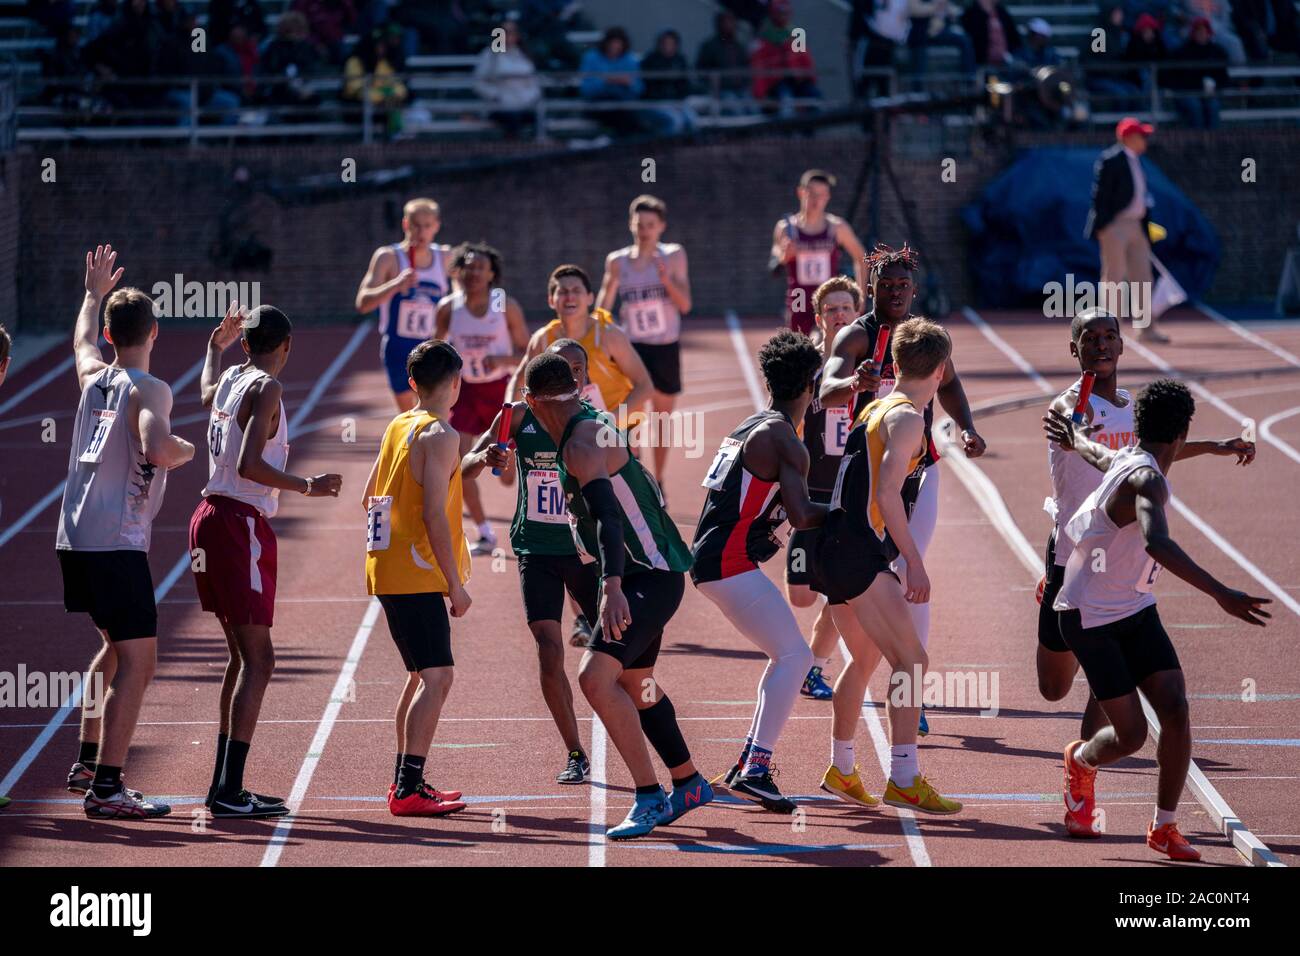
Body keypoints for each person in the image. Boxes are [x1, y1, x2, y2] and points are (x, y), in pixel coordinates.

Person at [1044, 379, 1270, 860]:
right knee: (1131, 736)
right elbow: (1157, 543)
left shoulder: (1129, 456)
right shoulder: (1147, 479)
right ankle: (1081, 759)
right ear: (1180, 435)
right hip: (1088, 616)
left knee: (1175, 706)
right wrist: (1220, 593)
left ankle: (1164, 826)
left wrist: (1074, 435)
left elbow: (1093, 452)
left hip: (1134, 606)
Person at [1036, 309, 1255, 795]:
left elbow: (1146, 452)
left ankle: (1084, 779)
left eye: (1109, 337)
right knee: (1051, 688)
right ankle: (1098, 670)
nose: (1101, 345)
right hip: (1070, 557)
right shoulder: (1067, 408)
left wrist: (1214, 445)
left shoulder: (1131, 406)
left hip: (1112, 575)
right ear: (1075, 350)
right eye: (1089, 338)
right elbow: (1093, 444)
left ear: (1121, 345)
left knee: (1106, 664)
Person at [523, 352, 710, 839]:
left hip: (647, 576)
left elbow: (607, 515)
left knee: (594, 678)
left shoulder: (582, 443)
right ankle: (687, 781)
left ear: (532, 401)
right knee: (636, 682)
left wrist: (611, 587)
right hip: (656, 569)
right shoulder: (592, 422)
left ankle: (649, 797)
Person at [820, 244, 986, 736]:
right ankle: (871, 667)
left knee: (912, 572)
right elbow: (825, 386)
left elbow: (950, 385)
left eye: (902, 285)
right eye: (885, 284)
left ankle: (910, 686)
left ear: (914, 290)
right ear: (870, 287)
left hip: (921, 469)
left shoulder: (925, 339)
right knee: (865, 577)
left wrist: (969, 427)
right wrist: (854, 383)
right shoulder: (857, 335)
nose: (894, 291)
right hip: (867, 472)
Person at [59, 246, 195, 819]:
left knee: (113, 650)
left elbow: (80, 344)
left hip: (75, 538)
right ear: (154, 332)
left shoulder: (95, 377)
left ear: (113, 334)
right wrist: (188, 449)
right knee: (140, 663)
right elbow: (157, 446)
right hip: (117, 542)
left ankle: (89, 761)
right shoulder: (152, 388)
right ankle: (109, 787)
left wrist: (91, 295)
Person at [191, 303, 343, 818]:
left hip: (209, 516)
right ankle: (230, 791)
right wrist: (307, 485)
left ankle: (222, 787)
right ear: (288, 345)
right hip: (238, 522)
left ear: (244, 344)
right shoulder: (268, 387)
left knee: (241, 657)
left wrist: (213, 349)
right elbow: (248, 463)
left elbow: (205, 394)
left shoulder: (233, 374)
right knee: (260, 659)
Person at [812, 317, 962, 814]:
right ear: (941, 371)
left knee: (866, 660)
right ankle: (904, 776)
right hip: (858, 551)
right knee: (913, 663)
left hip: (832, 548)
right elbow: (886, 493)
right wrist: (914, 564)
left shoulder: (875, 407)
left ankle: (842, 767)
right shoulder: (909, 420)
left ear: (895, 363)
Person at [692, 330, 825, 812]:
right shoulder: (785, 439)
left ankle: (748, 761)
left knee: (784, 654)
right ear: (811, 383)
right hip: (726, 563)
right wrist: (857, 511)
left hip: (717, 559)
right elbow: (805, 515)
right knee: (796, 657)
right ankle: (757, 769)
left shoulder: (752, 425)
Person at [462, 339, 604, 784]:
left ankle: (641, 733)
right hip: (535, 548)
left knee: (619, 649)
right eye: (565, 371)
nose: (574, 378)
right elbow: (463, 465)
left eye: (579, 370)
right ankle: (576, 752)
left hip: (583, 550)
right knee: (548, 648)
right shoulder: (517, 418)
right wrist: (486, 458)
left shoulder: (594, 422)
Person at [509, 264, 654, 647]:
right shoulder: (544, 338)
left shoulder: (608, 335)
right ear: (551, 299)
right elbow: (518, 383)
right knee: (566, 522)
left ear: (590, 297)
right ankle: (582, 618)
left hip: (606, 436)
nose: (569, 296)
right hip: (561, 440)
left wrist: (612, 426)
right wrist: (509, 430)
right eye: (562, 291)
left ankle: (629, 589)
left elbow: (643, 384)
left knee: (613, 515)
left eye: (576, 289)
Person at [363, 339, 471, 816]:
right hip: (416, 572)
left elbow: (369, 496)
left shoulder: (399, 424)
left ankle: (404, 784)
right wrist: (455, 583)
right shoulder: (442, 435)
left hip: (386, 566)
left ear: (411, 383)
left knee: (420, 675)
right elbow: (433, 516)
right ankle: (408, 789)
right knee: (439, 676)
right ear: (456, 383)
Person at [786, 277, 865, 702]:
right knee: (800, 595)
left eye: (846, 308)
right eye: (831, 309)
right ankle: (807, 654)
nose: (839, 315)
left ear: (857, 312)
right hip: (811, 491)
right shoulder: (807, 367)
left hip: (852, 492)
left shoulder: (872, 365)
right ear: (819, 317)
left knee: (840, 592)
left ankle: (811, 669)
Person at [434, 241, 529, 556]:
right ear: (459, 271)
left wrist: (502, 361)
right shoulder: (449, 307)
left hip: (499, 390)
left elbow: (527, 354)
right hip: (465, 392)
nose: (474, 273)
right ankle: (484, 533)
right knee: (460, 462)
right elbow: (436, 351)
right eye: (469, 267)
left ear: (491, 274)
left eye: (481, 268)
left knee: (505, 475)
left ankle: (510, 468)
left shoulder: (503, 305)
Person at [597, 195, 692, 485]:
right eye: (639, 224)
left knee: (662, 419)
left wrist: (665, 280)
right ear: (631, 225)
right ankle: (634, 473)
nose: (644, 230)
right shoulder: (618, 261)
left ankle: (659, 480)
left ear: (661, 226)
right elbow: (605, 299)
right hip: (632, 348)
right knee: (631, 416)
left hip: (664, 346)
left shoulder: (673, 255)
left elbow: (685, 304)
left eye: (650, 224)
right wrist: (598, 328)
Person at [356, 197, 453, 412]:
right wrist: (394, 285)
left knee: (440, 411)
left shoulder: (445, 257)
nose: (421, 232)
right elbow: (363, 303)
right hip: (399, 347)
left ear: (436, 226)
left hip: (432, 346)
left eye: (427, 226)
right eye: (416, 225)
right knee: (409, 414)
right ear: (405, 224)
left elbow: (461, 298)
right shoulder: (388, 257)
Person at [1084, 117, 1165, 342]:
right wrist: (1103, 225)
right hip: (1116, 225)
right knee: (1114, 278)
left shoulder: (1137, 161)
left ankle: (1146, 329)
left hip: (1137, 225)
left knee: (1143, 278)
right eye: (1142, 135)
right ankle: (1108, 330)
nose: (1145, 140)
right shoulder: (1111, 160)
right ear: (1129, 137)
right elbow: (1100, 196)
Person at [770, 169, 868, 337]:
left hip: (828, 294)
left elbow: (861, 258)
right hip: (799, 295)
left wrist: (860, 295)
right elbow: (774, 267)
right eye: (812, 194)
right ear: (801, 192)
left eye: (822, 195)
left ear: (828, 197)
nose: (817, 200)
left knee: (834, 342)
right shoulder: (786, 228)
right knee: (799, 345)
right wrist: (785, 256)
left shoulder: (836, 227)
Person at [473, 16, 542, 138]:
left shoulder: (524, 55)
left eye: (512, 31)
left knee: (539, 116)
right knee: (513, 119)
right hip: (500, 106)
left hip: (524, 104)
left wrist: (529, 98)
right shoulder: (490, 55)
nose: (508, 35)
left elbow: (533, 83)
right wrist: (497, 96)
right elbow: (478, 83)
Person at [1165, 17, 1229, 128]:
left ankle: (1214, 140)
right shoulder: (1182, 52)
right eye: (1198, 31)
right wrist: (1198, 85)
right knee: (1195, 107)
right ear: (1193, 33)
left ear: (1209, 33)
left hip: (1209, 94)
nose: (1201, 34)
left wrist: (1215, 86)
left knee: (1213, 106)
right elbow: (1176, 78)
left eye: (1204, 31)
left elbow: (1223, 77)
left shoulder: (1217, 52)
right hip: (1187, 92)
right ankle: (1197, 140)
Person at [696, 10, 751, 106]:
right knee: (736, 108)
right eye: (725, 22)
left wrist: (744, 81)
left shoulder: (739, 46)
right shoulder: (709, 46)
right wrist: (714, 81)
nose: (729, 25)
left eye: (732, 22)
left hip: (741, 89)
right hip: (722, 91)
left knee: (753, 107)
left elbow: (746, 67)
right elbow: (700, 70)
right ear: (718, 24)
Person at [960, 0, 1023, 68]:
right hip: (983, 60)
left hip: (1007, 57)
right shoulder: (971, 13)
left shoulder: (1001, 12)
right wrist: (985, 12)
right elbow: (975, 37)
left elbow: (1014, 37)